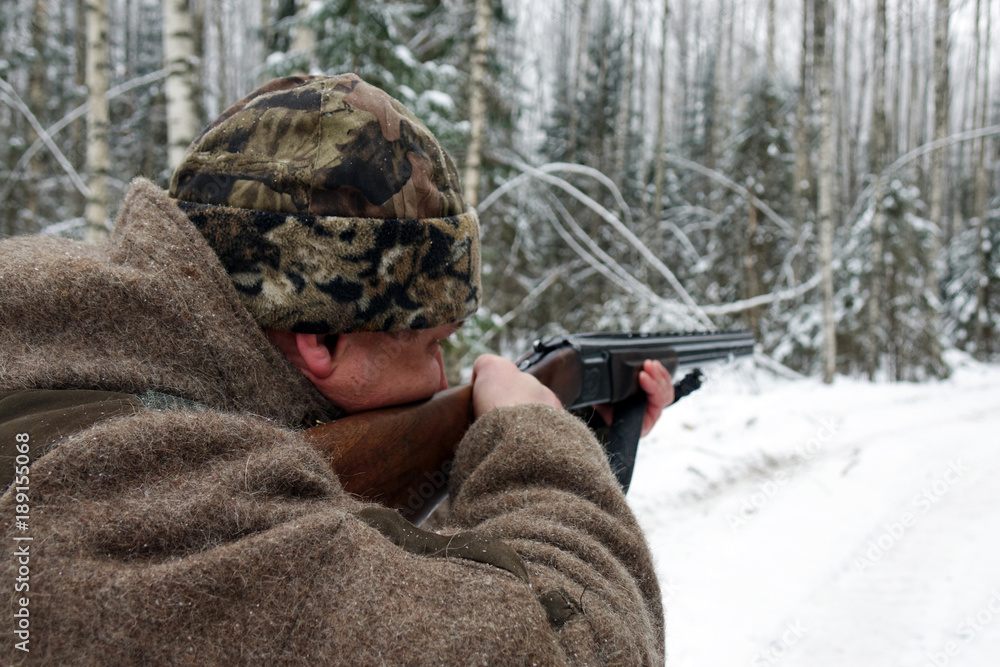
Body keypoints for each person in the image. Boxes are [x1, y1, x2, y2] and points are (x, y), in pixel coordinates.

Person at [1, 73, 668, 664]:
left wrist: (571, 442)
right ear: (320, 337)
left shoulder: (71, 364)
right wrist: (539, 444)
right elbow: (587, 646)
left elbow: (364, 595)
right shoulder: (155, 514)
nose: (443, 378)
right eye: (432, 342)